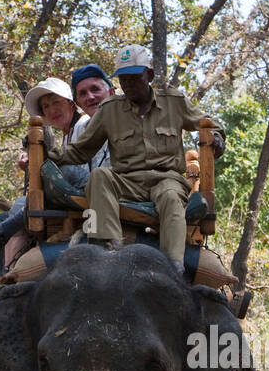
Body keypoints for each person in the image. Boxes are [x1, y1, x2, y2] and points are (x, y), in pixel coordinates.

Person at [47, 43, 225, 268]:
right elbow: (80, 150)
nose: (128, 84)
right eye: (123, 79)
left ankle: (173, 266)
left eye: (134, 77)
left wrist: (216, 137)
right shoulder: (109, 109)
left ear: (148, 74)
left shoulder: (174, 102)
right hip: (127, 181)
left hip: (165, 179)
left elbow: (208, 125)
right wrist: (46, 153)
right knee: (100, 176)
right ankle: (108, 247)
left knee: (171, 196)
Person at [0, 76, 91, 255]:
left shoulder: (85, 124)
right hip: (73, 189)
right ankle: (5, 264)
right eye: (46, 107)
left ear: (71, 103)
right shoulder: (67, 135)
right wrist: (33, 167)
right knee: (11, 210)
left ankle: (2, 235)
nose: (52, 110)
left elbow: (80, 169)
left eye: (56, 102)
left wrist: (41, 168)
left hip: (90, 188)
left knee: (52, 178)